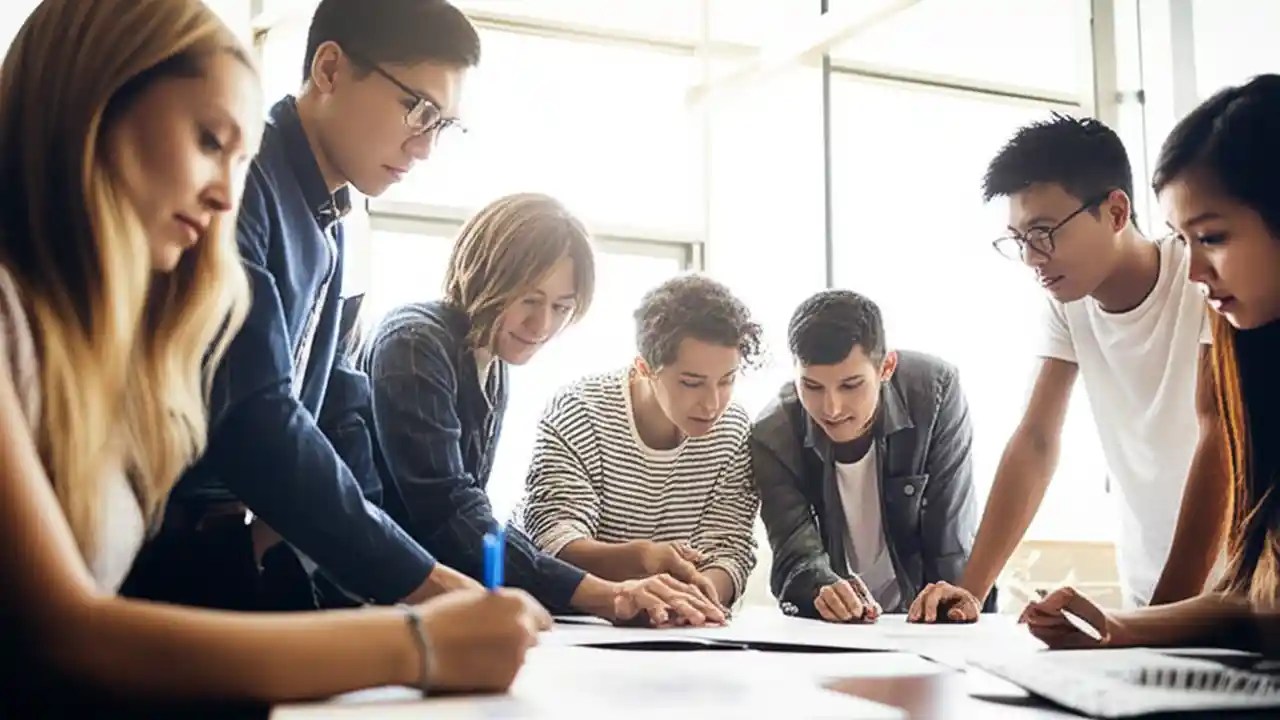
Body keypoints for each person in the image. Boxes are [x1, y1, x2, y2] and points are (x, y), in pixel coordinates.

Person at [0, 0, 543, 710]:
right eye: (207, 140)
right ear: (92, 105)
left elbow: (338, 412)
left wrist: (400, 589)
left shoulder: (92, 348)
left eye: (241, 157)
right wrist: (418, 631)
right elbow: (69, 634)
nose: (228, 192)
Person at [124, 0, 484, 610]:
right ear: (330, 68)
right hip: (154, 553)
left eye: (442, 125)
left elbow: (342, 414)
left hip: (231, 554)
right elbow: (255, 416)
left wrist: (402, 575)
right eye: (418, 109)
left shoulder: (338, 219)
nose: (424, 148)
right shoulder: (241, 183)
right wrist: (414, 579)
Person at [909, 114, 1226, 623]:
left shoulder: (1204, 279)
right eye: (1019, 240)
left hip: (1229, 598)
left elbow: (1221, 438)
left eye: (1043, 233)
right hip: (1147, 596)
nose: (1033, 258)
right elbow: (1035, 440)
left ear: (1116, 210)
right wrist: (970, 591)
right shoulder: (1067, 303)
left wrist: (1158, 623)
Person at [363, 193, 726, 626]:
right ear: (484, 276)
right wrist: (607, 595)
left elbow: (468, 519)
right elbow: (448, 513)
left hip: (408, 603)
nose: (542, 327)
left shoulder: (491, 363)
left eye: (561, 308)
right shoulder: (414, 345)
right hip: (352, 603)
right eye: (528, 301)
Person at [1024, 75, 1280, 654]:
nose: (1193, 273)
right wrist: (1113, 626)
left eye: (1212, 237)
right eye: (1182, 240)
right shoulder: (1252, 350)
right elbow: (1254, 595)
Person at [520, 275, 761, 608]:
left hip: (674, 626)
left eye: (727, 380)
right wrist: (640, 560)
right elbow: (552, 540)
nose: (712, 404)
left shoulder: (734, 429)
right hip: (570, 620)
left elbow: (729, 548)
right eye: (691, 383)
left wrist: (694, 599)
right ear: (644, 368)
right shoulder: (580, 412)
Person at [752, 290, 984, 622]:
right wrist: (823, 589)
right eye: (813, 387)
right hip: (840, 630)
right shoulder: (773, 433)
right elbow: (794, 559)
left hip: (929, 620)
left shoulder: (933, 392)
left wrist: (953, 613)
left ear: (886, 366)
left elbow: (949, 540)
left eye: (850, 385)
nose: (831, 408)